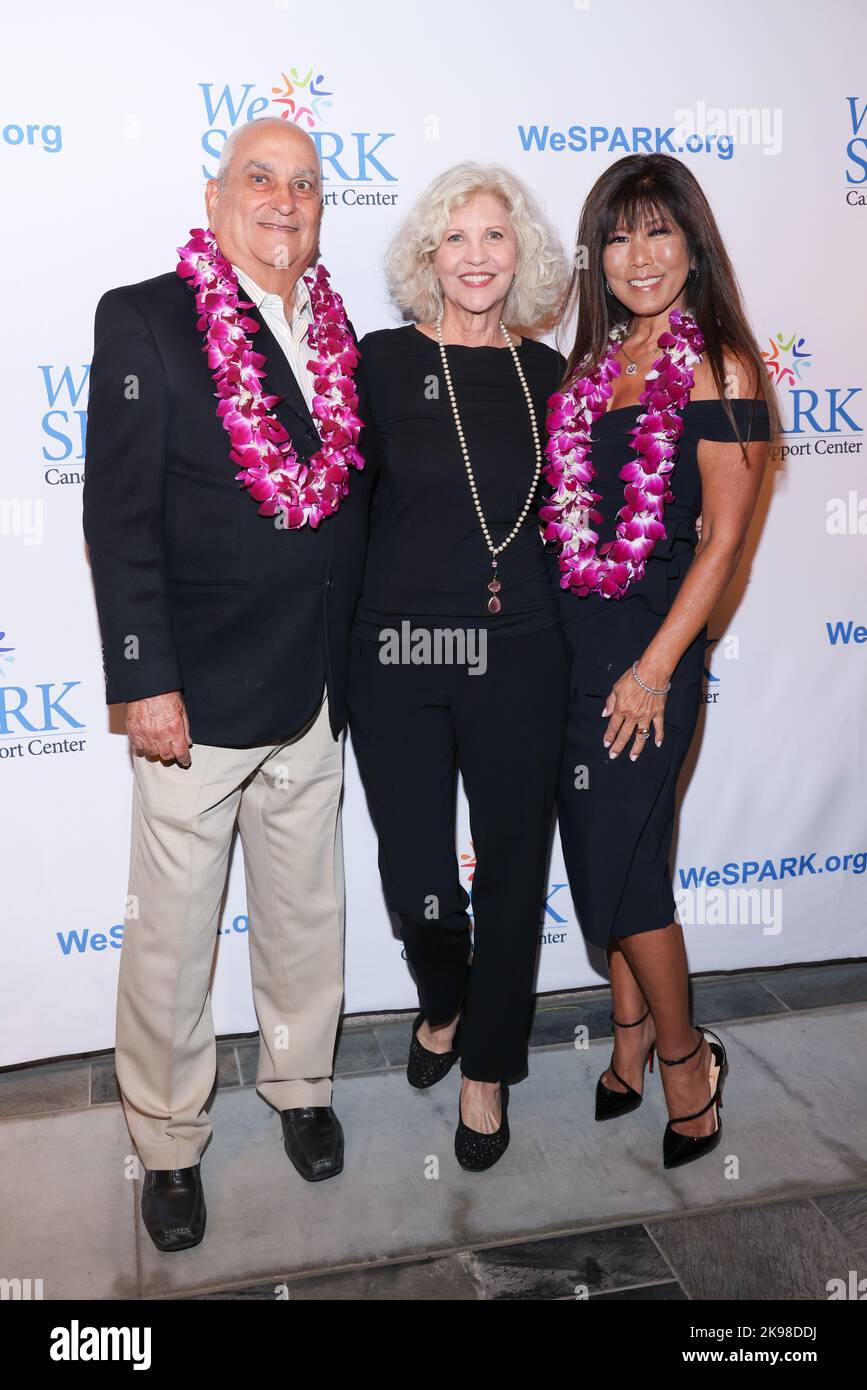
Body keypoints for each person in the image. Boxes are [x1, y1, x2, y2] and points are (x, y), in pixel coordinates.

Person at [82, 116, 373, 1251]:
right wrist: (144, 681)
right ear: (216, 199)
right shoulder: (146, 317)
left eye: (304, 183)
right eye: (261, 177)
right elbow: (121, 520)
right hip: (193, 701)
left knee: (307, 914)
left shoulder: (339, 327)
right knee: (172, 938)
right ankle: (166, 1140)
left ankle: (301, 1090)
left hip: (311, 687)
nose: (284, 198)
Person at [543, 153, 778, 1170]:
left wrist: (654, 669)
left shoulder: (723, 364)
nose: (640, 256)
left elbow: (724, 540)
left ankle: (687, 1064)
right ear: (597, 255)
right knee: (619, 861)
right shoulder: (589, 369)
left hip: (657, 648)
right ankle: (629, 1038)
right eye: (619, 236)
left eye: (659, 232)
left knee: (620, 874)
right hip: (573, 643)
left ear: (693, 244)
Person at [347, 163, 570, 1171]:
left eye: (495, 236)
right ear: (426, 255)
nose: (476, 255)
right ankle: (443, 995)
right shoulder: (383, 362)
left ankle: (488, 1063)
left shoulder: (547, 376)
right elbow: (340, 515)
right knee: (421, 874)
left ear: (520, 255)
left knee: (516, 862)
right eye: (456, 237)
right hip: (402, 650)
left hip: (520, 647)